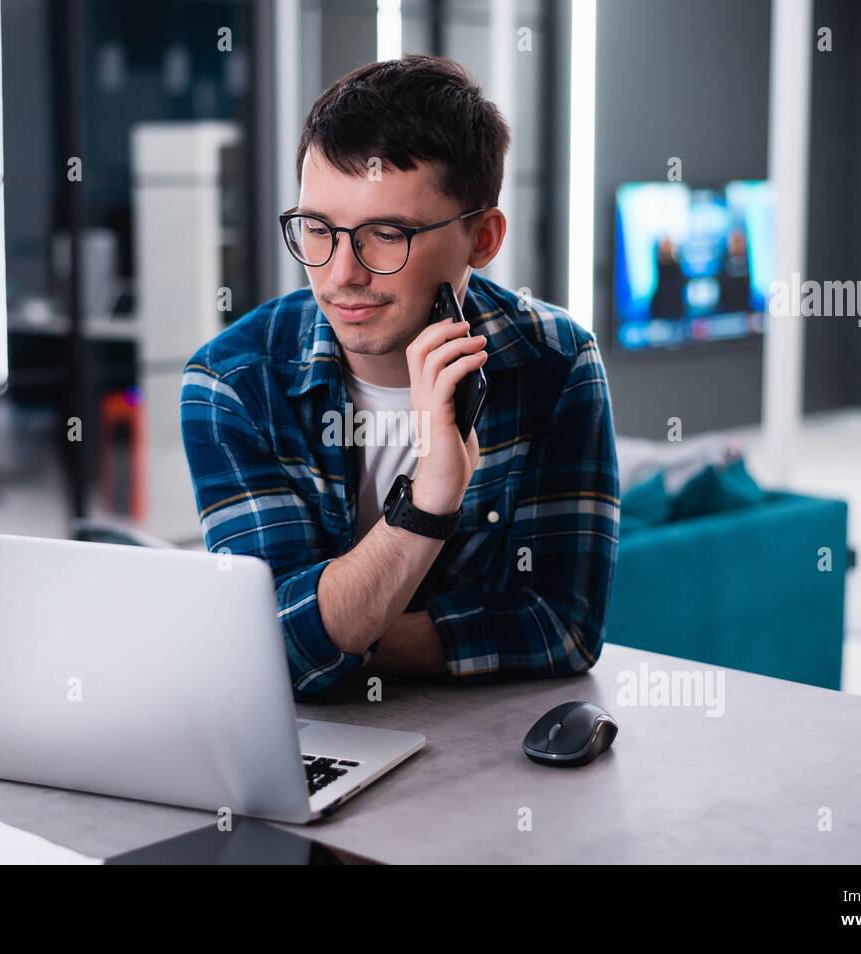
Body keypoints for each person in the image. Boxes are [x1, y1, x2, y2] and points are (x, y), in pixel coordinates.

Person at [181, 55, 619, 695]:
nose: (341, 274)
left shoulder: (555, 362)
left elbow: (563, 626)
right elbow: (277, 650)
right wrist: (428, 501)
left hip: (483, 758)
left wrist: (346, 632)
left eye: (386, 234)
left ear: (483, 240)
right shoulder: (234, 383)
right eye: (316, 229)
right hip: (300, 748)